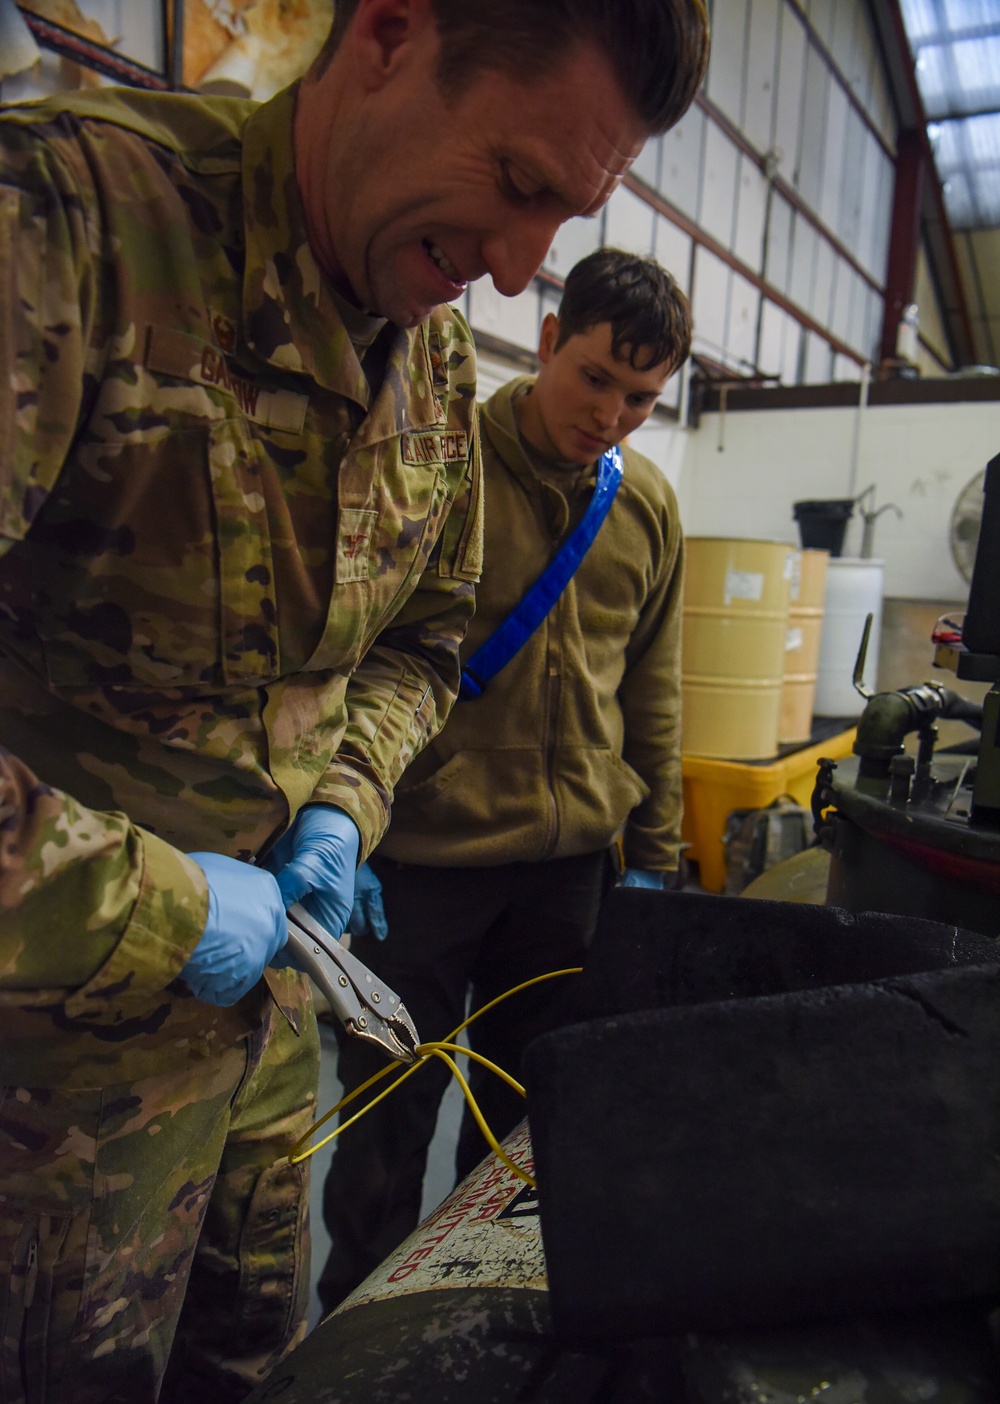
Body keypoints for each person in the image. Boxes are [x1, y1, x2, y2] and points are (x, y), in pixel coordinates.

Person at [0, 0, 710, 1398]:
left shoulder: (430, 355)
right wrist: (163, 907)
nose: (516, 276)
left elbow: (419, 644)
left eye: (557, 220)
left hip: (263, 1060)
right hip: (53, 1101)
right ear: (387, 36)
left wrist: (343, 797)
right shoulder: (66, 225)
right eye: (515, 186)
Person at [320, 246, 693, 1312]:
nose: (611, 414)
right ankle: (357, 1329)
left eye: (640, 397)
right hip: (425, 865)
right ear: (544, 341)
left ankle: (496, 1319)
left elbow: (654, 695)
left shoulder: (647, 509)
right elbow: (353, 653)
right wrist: (345, 817)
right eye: (594, 378)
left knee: (537, 1125)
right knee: (387, 1118)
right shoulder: (439, 465)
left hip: (569, 878)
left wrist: (655, 865)